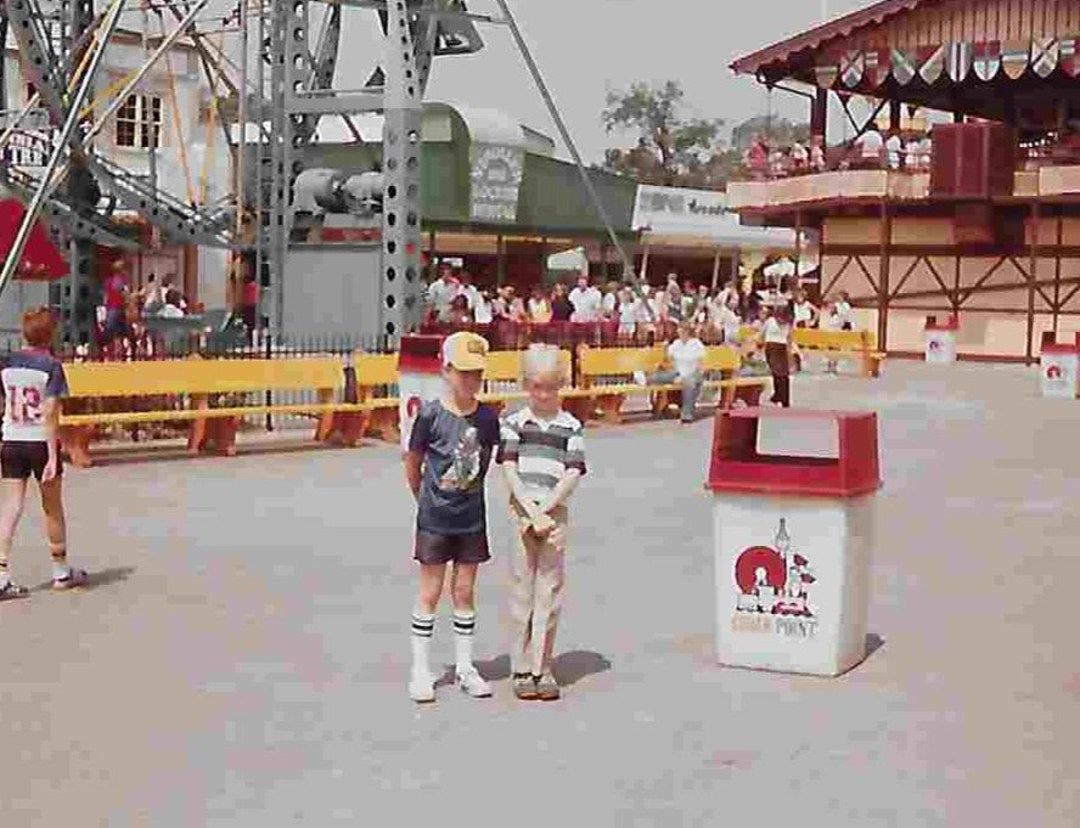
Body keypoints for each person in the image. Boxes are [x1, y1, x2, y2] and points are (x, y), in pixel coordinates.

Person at [404, 331, 501, 703]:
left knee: (464, 591)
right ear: (446, 370)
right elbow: (413, 462)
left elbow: (485, 461)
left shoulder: (487, 418)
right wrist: (423, 498)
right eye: (464, 372)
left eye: (477, 373)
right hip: (435, 517)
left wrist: (467, 492)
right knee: (430, 591)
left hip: (471, 517)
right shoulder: (429, 414)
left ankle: (465, 666)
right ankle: (420, 669)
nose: (472, 380)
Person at [497, 344, 586, 701]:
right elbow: (508, 467)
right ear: (526, 384)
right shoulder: (515, 422)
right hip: (522, 510)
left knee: (549, 590)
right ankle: (520, 665)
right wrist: (530, 511)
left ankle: (542, 665)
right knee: (522, 590)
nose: (544, 395)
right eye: (536, 387)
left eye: (551, 387)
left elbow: (573, 471)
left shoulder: (571, 425)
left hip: (554, 513)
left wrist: (547, 509)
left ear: (561, 385)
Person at [0, 308, 88, 600]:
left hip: (12, 437)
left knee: (11, 505)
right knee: (52, 506)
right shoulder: (51, 367)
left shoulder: (7, 363)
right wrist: (53, 455)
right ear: (50, 335)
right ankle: (60, 570)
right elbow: (50, 412)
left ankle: (1, 574)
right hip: (39, 440)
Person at [647, 320, 707, 424]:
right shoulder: (676, 343)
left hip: (693, 374)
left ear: (688, 332)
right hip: (677, 373)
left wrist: (683, 377)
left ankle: (687, 414)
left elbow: (699, 365)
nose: (680, 333)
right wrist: (664, 349)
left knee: (689, 383)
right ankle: (643, 380)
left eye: (682, 331)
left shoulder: (696, 344)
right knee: (654, 378)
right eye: (679, 331)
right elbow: (667, 357)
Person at [761, 306, 794, 407]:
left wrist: (790, 352)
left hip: (780, 347)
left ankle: (784, 398)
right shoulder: (770, 321)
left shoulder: (787, 324)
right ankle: (778, 394)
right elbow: (763, 333)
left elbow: (789, 338)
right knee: (776, 373)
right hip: (771, 346)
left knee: (783, 374)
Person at [102, 260, 130, 343]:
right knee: (112, 327)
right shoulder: (119, 280)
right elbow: (125, 292)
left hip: (116, 306)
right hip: (115, 306)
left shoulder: (113, 280)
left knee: (111, 327)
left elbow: (106, 294)